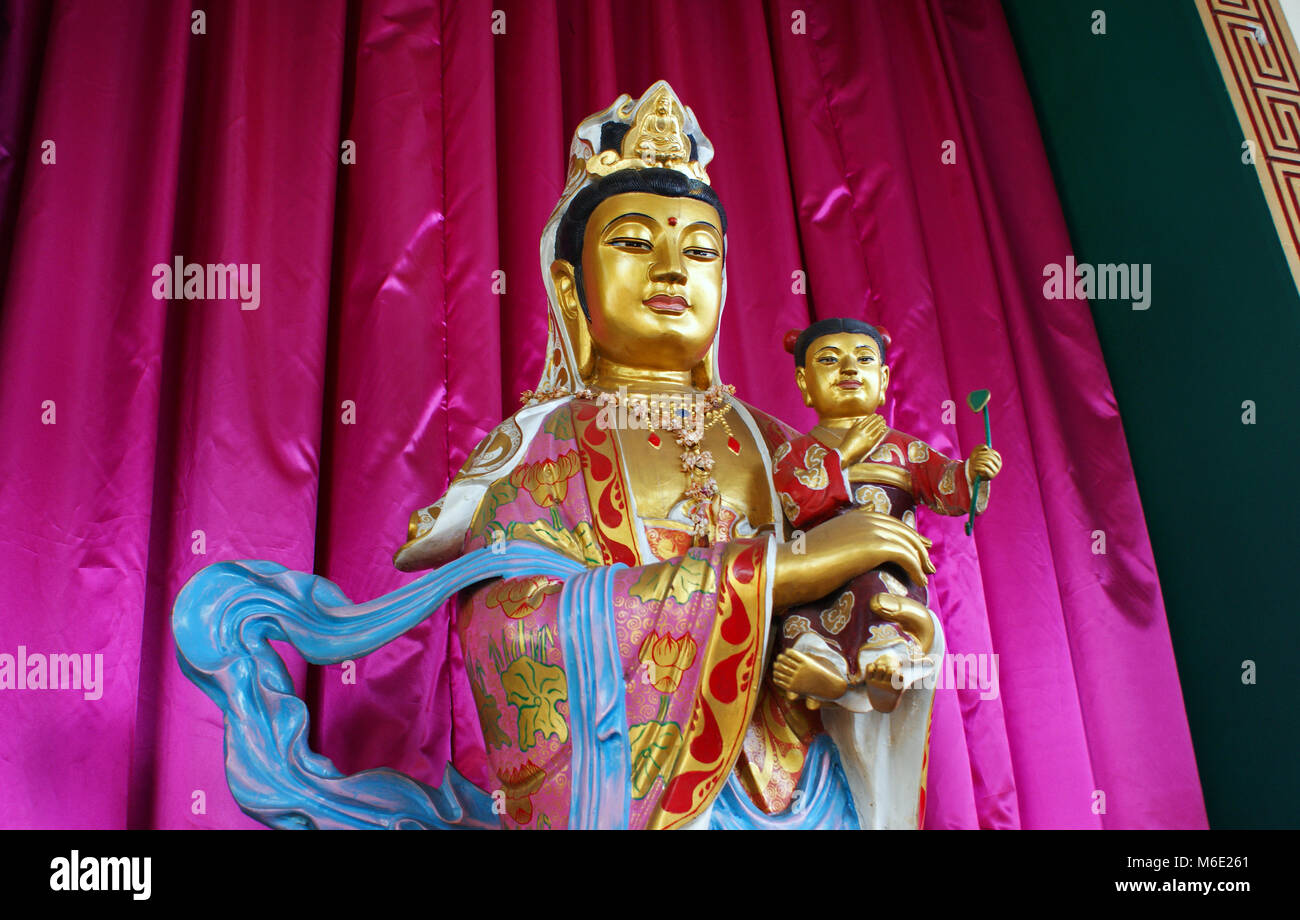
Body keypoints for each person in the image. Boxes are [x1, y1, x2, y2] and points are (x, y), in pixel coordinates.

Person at [392, 83, 945, 829]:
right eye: (631, 242)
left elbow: (860, 585)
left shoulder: (774, 442)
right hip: (646, 795)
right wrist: (771, 574)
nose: (671, 269)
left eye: (699, 249)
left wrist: (881, 655)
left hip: (801, 787)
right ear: (570, 284)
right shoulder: (541, 445)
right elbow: (511, 629)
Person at [769, 319, 1003, 715]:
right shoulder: (793, 452)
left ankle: (887, 667)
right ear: (805, 383)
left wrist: (972, 472)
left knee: (880, 599)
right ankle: (825, 671)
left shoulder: (903, 448)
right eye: (829, 360)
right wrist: (844, 454)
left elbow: (946, 487)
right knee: (799, 620)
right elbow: (796, 503)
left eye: (863, 359)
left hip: (886, 566)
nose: (848, 369)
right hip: (817, 566)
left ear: (882, 378)